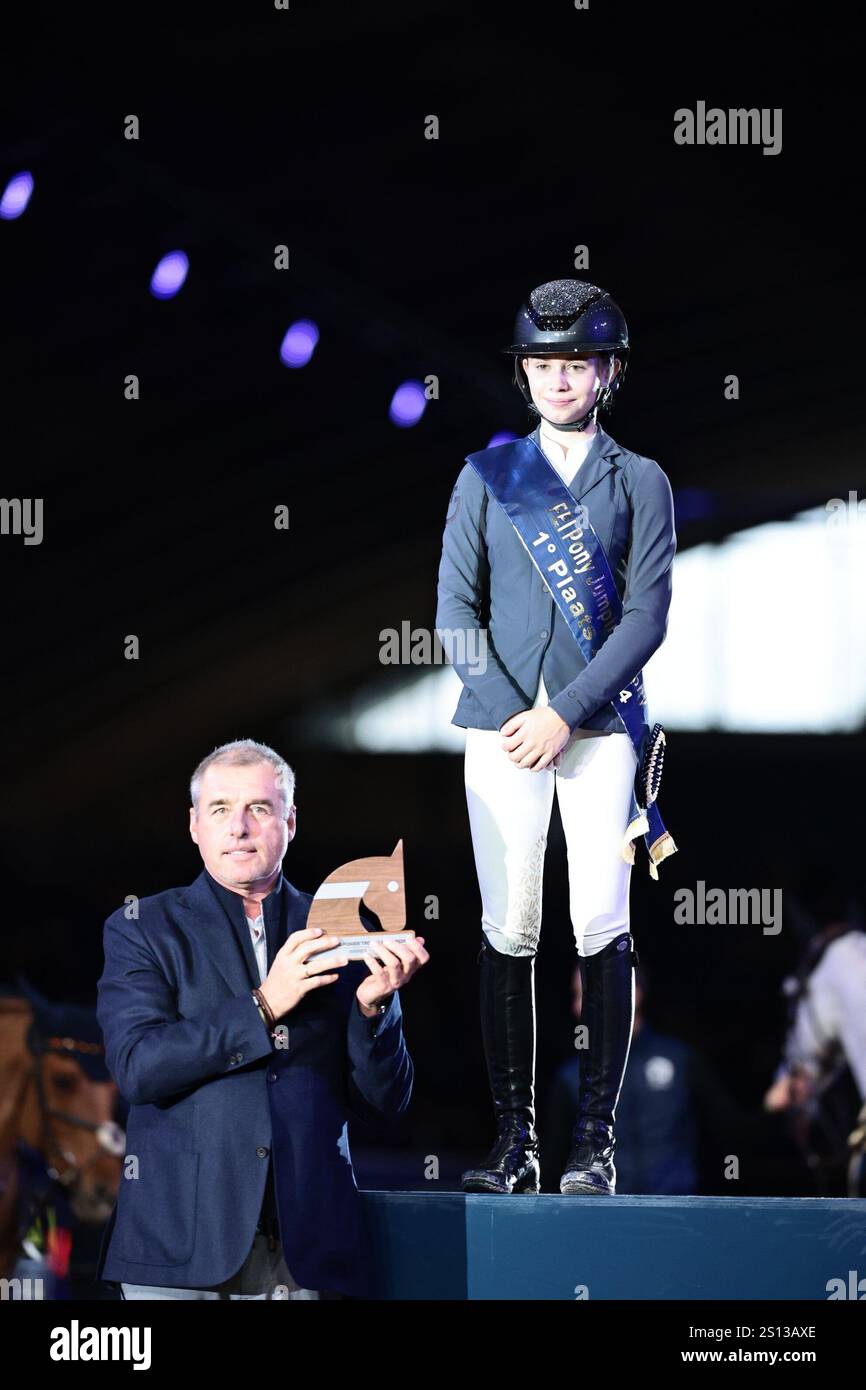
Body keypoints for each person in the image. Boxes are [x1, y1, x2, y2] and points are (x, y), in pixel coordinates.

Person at [436, 278, 677, 1196]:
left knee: (599, 923)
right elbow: (454, 612)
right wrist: (509, 713)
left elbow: (646, 619)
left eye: (574, 364)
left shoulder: (641, 480)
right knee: (510, 925)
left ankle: (595, 1143)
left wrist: (564, 711)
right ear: (524, 374)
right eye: (543, 365)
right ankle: (514, 1140)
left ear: (606, 371)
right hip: (499, 731)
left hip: (599, 725)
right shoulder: (485, 477)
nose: (558, 379)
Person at [96, 738, 427, 1299]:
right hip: (180, 1247)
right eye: (220, 809)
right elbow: (139, 1068)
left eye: (259, 808)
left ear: (290, 822)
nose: (239, 827)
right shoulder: (142, 927)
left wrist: (374, 1008)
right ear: (195, 825)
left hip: (306, 1251)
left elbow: (384, 1103)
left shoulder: (343, 928)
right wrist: (263, 1005)